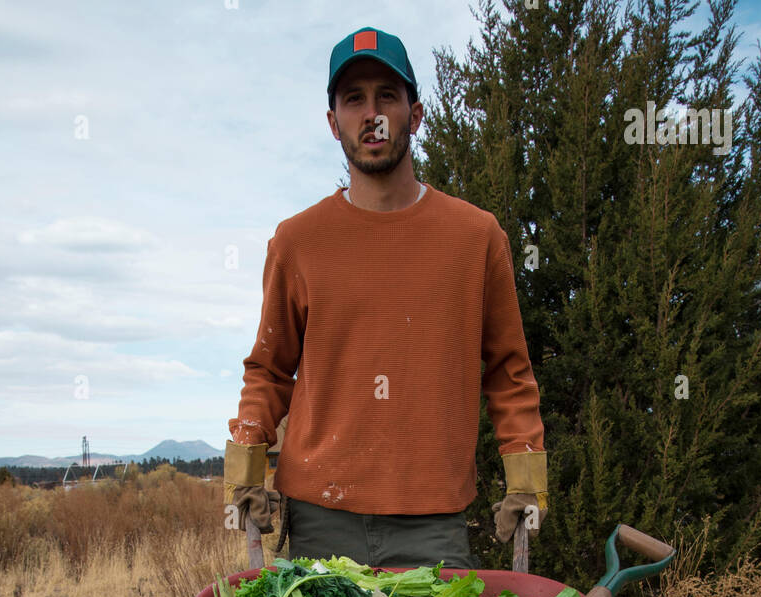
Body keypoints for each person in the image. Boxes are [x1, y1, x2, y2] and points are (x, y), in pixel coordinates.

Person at [225, 25, 547, 568]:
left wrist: (527, 483)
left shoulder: (476, 237)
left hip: (433, 524)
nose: (371, 114)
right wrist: (245, 473)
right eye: (354, 99)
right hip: (319, 517)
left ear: (414, 115)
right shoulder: (297, 241)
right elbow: (269, 370)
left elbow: (509, 371)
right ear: (333, 123)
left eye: (387, 97)